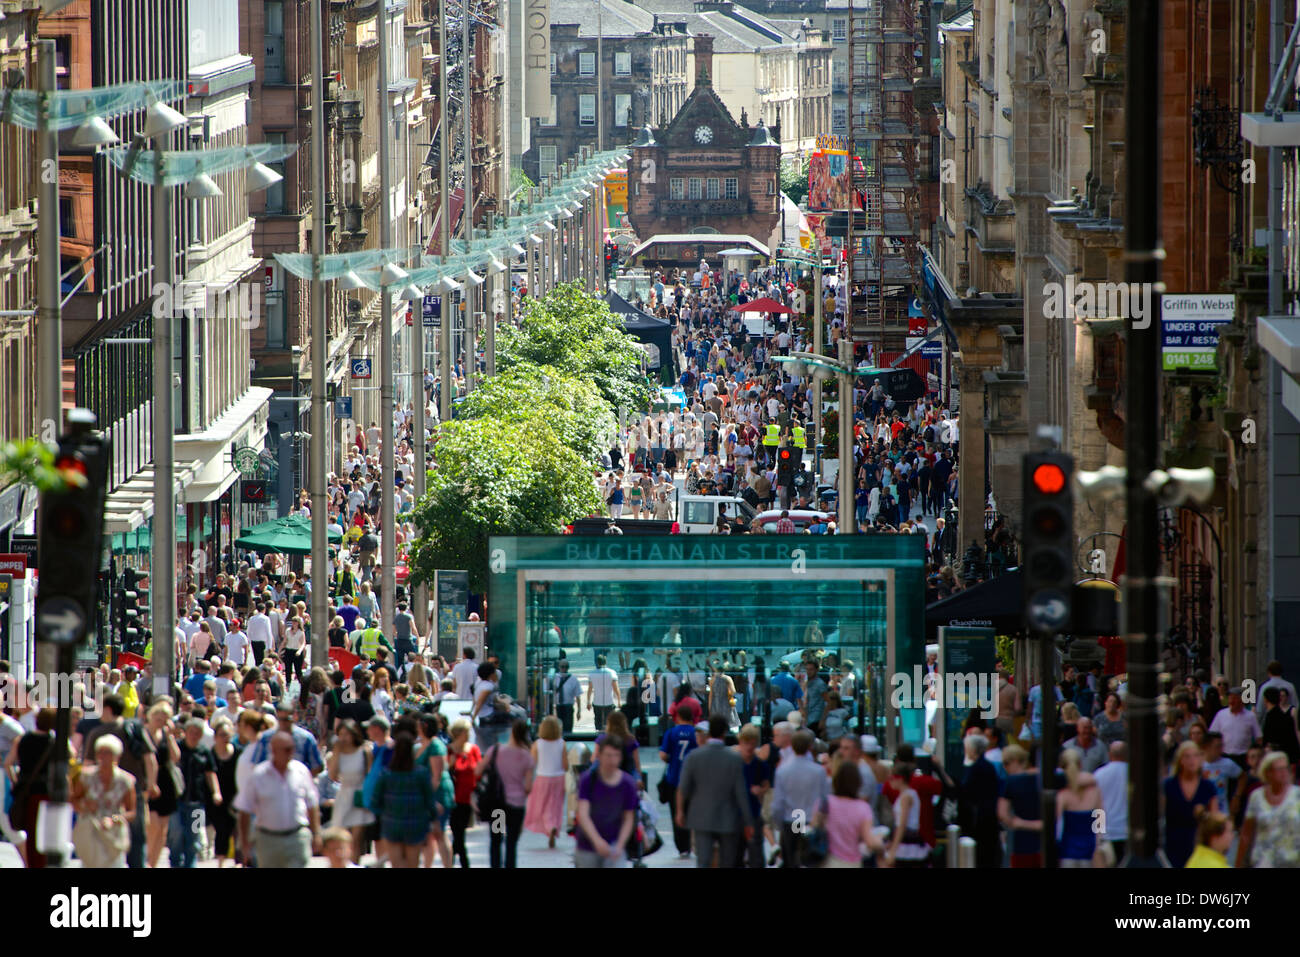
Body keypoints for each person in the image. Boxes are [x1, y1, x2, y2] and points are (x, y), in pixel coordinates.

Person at [234, 731, 322, 868]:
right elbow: (244, 809)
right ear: (274, 750)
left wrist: (316, 833)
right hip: (268, 839)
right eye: (286, 749)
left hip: (297, 836)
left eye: (292, 748)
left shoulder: (301, 771)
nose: (291, 753)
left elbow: (312, 804)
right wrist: (245, 843)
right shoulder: (259, 775)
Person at [368, 731, 438, 868]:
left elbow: (374, 801)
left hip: (391, 824)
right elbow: (429, 800)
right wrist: (433, 818)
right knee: (413, 863)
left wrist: (384, 813)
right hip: (415, 824)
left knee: (397, 863)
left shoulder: (386, 774)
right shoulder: (421, 773)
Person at [70, 735, 137, 868]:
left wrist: (113, 819)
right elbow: (73, 800)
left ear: (116, 756)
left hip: (113, 834)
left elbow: (132, 812)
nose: (103, 756)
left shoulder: (126, 780)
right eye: (100, 752)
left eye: (107, 752)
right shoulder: (86, 776)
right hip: (90, 829)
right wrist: (84, 806)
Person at [574, 735, 639, 868]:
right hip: (587, 847)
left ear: (621, 757)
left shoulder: (627, 783)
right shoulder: (587, 780)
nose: (612, 760)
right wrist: (597, 841)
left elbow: (628, 817)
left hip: (615, 845)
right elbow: (583, 814)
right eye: (608, 755)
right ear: (600, 756)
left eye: (616, 755)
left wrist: (620, 844)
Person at [771, 729, 830, 868]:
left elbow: (778, 803)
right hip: (811, 822)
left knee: (791, 860)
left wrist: (779, 824)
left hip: (791, 821)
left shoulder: (783, 771)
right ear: (810, 746)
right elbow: (824, 800)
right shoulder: (819, 771)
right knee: (811, 861)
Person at [1235, 750, 1300, 867]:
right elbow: (1246, 834)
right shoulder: (1256, 796)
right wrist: (1239, 864)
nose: (1284, 773)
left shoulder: (1297, 795)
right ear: (1268, 772)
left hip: (1293, 862)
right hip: (1263, 862)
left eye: (1286, 768)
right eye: (1279, 769)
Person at [818, 760, 886, 868]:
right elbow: (869, 841)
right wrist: (881, 844)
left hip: (827, 861)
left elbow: (815, 827)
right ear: (857, 782)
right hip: (851, 862)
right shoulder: (863, 808)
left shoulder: (825, 803)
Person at [1162, 740, 1219, 868]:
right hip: (1173, 842)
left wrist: (1204, 815)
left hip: (1198, 843)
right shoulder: (1168, 785)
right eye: (1187, 756)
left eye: (1195, 756)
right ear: (1180, 760)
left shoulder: (1208, 787)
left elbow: (1215, 820)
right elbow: (1158, 815)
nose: (1191, 760)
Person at [326, 720, 374, 863]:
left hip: (360, 794)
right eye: (341, 734)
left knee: (357, 839)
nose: (344, 737)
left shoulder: (364, 750)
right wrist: (337, 752)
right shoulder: (338, 751)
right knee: (339, 836)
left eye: (347, 734)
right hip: (344, 794)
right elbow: (332, 775)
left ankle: (354, 864)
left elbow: (370, 775)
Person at [657, 701, 699, 859]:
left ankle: (682, 847)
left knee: (677, 812)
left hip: (674, 779)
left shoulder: (671, 732)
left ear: (678, 716)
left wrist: (672, 759)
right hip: (693, 780)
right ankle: (693, 842)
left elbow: (663, 755)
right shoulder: (697, 732)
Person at [957, 733, 1001, 868]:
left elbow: (968, 791)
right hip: (986, 816)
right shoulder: (986, 766)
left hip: (980, 819)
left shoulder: (978, 768)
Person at [525, 715, 569, 849]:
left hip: (542, 777)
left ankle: (549, 827)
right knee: (555, 806)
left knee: (542, 806)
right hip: (558, 778)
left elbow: (532, 764)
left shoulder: (537, 744)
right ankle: (554, 825)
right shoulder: (562, 743)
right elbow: (565, 765)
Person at [1056, 749, 1102, 867]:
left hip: (1068, 849)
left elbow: (1055, 820)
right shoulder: (1094, 788)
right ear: (1080, 764)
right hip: (1090, 848)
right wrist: (1098, 844)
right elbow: (1100, 817)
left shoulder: (1063, 792)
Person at [447, 717, 480, 868]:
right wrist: (450, 764)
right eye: (466, 731)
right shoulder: (450, 750)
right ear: (459, 733)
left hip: (469, 798)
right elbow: (443, 772)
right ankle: (464, 863)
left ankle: (450, 861)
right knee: (458, 833)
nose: (468, 734)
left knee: (460, 834)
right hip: (454, 798)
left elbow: (479, 771)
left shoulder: (473, 749)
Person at [1093, 741, 1130, 861]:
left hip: (1106, 832)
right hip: (1126, 831)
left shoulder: (1099, 774)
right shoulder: (1134, 774)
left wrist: (1098, 832)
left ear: (1109, 754)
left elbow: (1096, 806)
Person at [587, 654, 621, 731]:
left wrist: (588, 702)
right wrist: (619, 701)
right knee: (609, 723)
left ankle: (599, 739)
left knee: (598, 724)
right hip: (609, 702)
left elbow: (590, 689)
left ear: (597, 663)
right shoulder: (612, 673)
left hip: (597, 702)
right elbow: (616, 688)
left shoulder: (592, 674)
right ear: (606, 662)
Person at [552, 660, 582, 734]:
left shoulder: (573, 679)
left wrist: (579, 710)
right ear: (559, 667)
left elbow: (578, 696)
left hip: (568, 707)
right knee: (557, 730)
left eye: (566, 667)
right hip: (557, 707)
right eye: (562, 667)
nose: (564, 669)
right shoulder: (554, 678)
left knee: (568, 730)